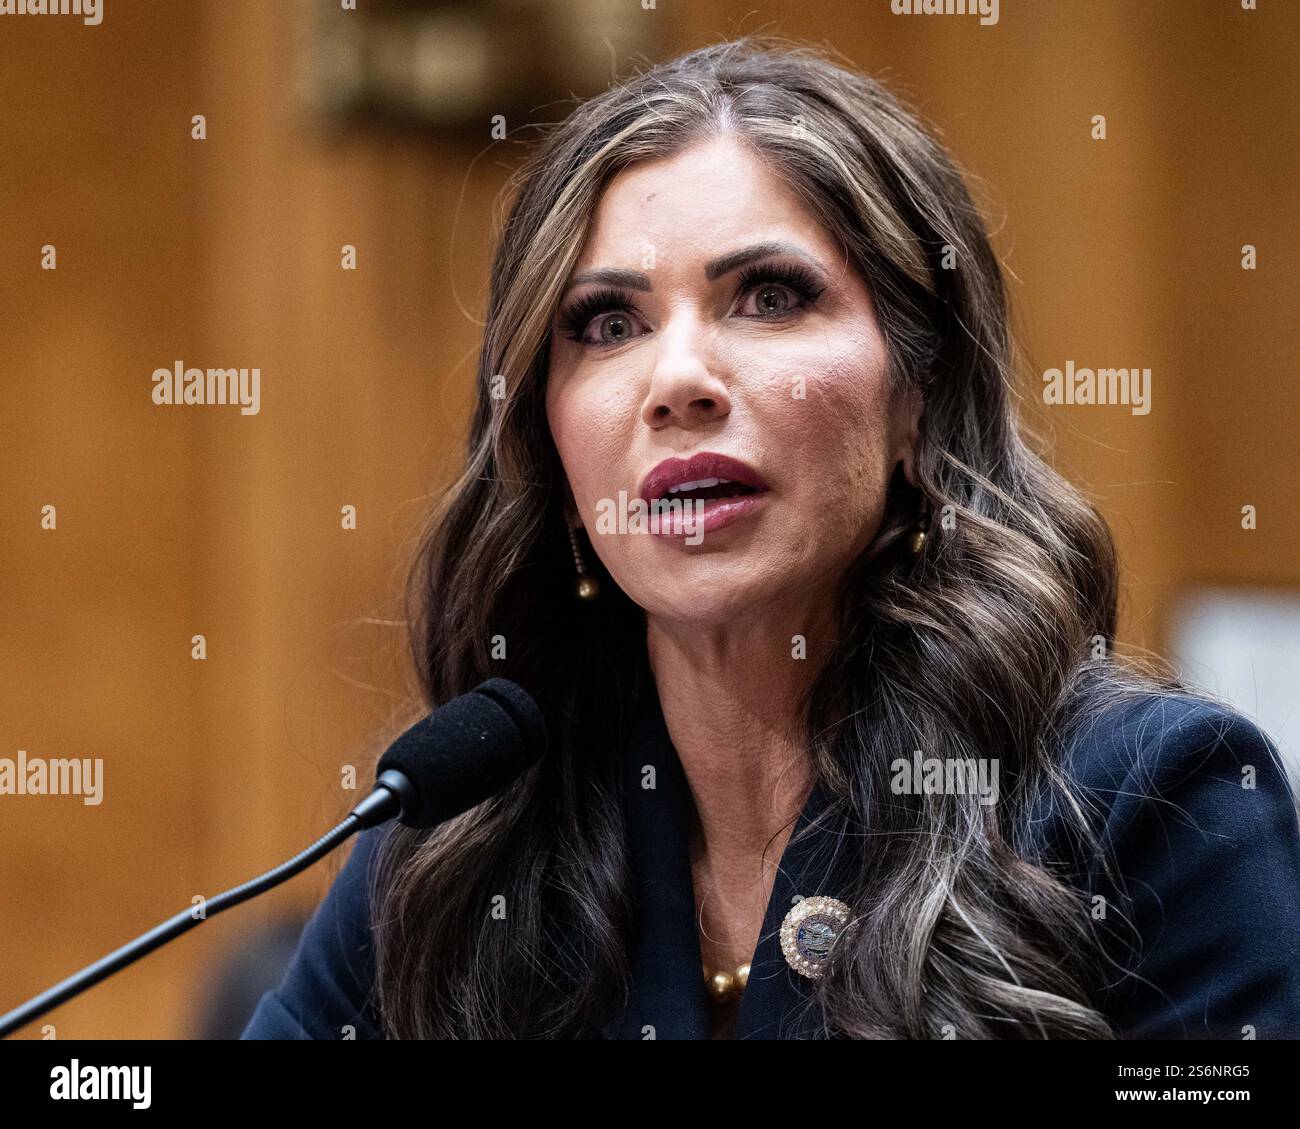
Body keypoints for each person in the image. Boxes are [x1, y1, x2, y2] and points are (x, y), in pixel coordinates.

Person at [242, 35, 1300, 1040]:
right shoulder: (459, 846)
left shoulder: (1152, 805)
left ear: (916, 397)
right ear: (550, 447)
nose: (677, 381)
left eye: (768, 296)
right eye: (608, 324)